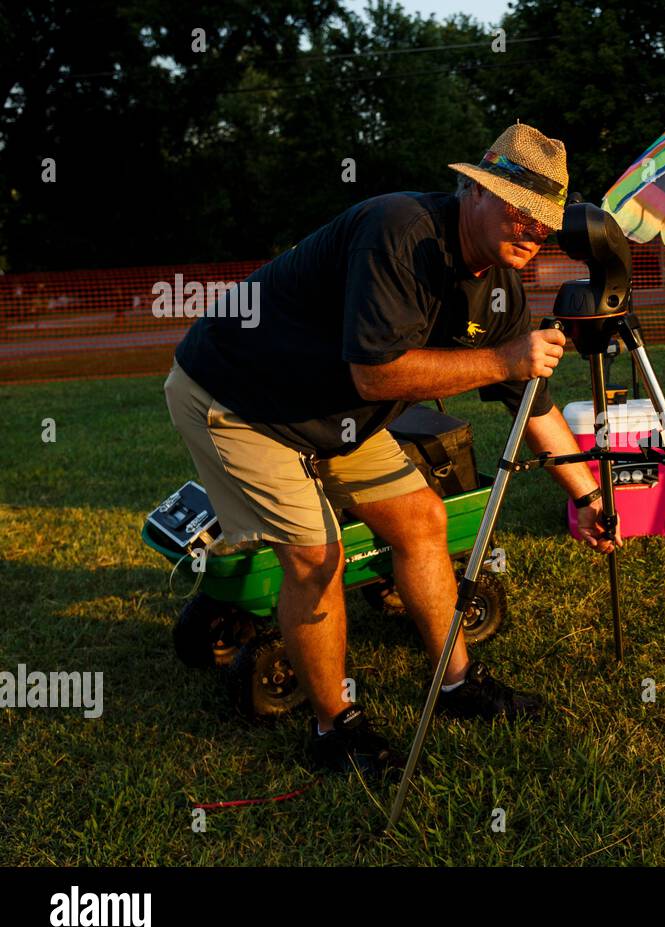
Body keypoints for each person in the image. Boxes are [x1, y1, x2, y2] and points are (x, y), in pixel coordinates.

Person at [163, 123, 624, 777]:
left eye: (544, 221)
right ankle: (335, 730)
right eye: (520, 210)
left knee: (423, 518)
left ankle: (459, 684)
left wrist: (587, 494)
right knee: (314, 558)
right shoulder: (398, 230)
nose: (533, 230)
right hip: (238, 396)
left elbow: (533, 405)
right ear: (473, 189)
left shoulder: (500, 289)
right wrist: (501, 359)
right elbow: (375, 376)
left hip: (331, 415)